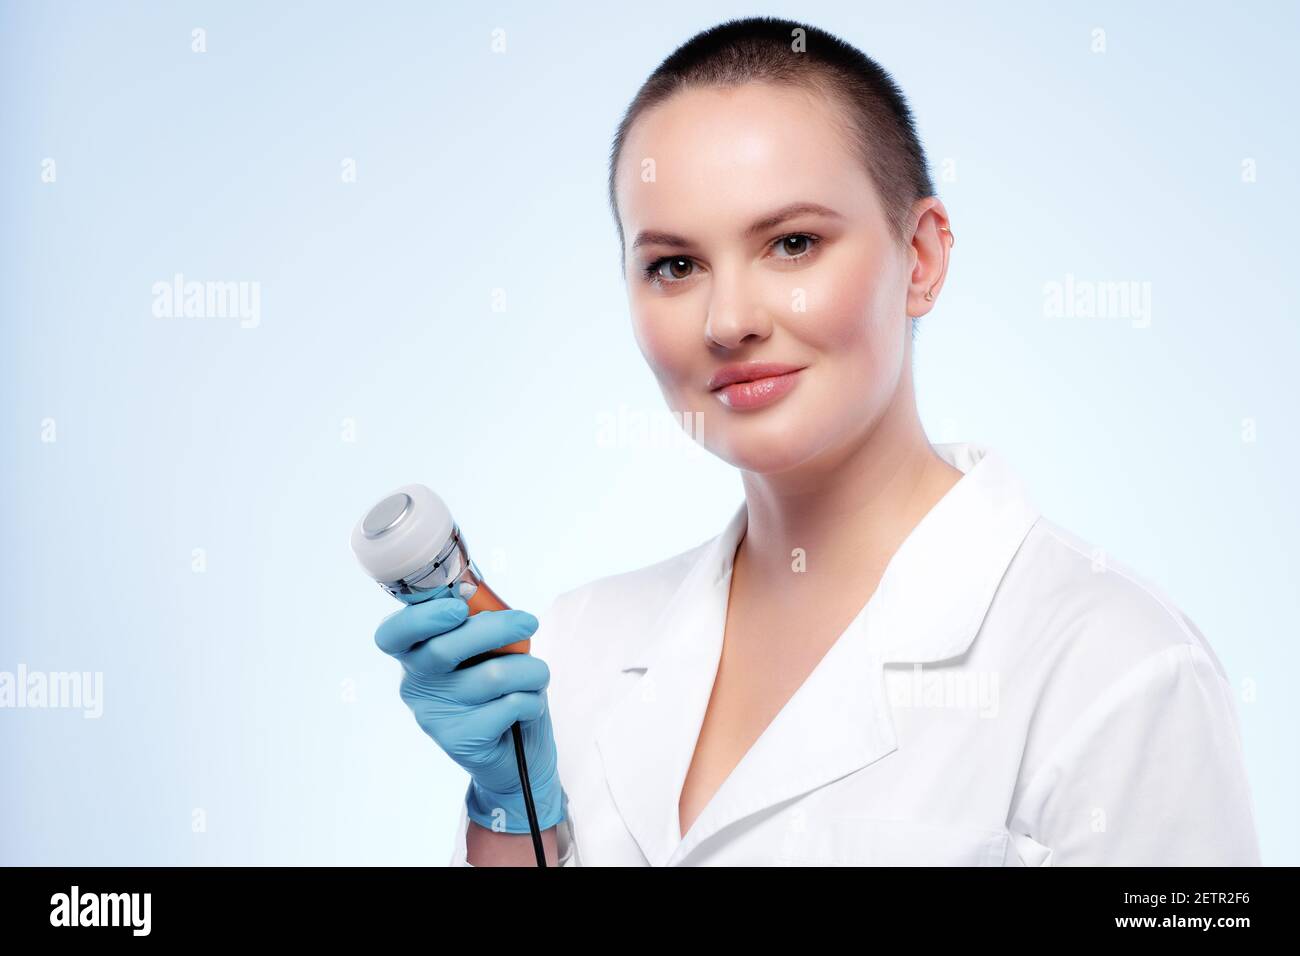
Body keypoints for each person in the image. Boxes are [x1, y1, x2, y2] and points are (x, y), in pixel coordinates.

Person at [373, 16, 1261, 866]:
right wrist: (512, 818)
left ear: (921, 257)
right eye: (674, 266)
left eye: (793, 243)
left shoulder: (1119, 670)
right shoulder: (577, 648)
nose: (729, 320)